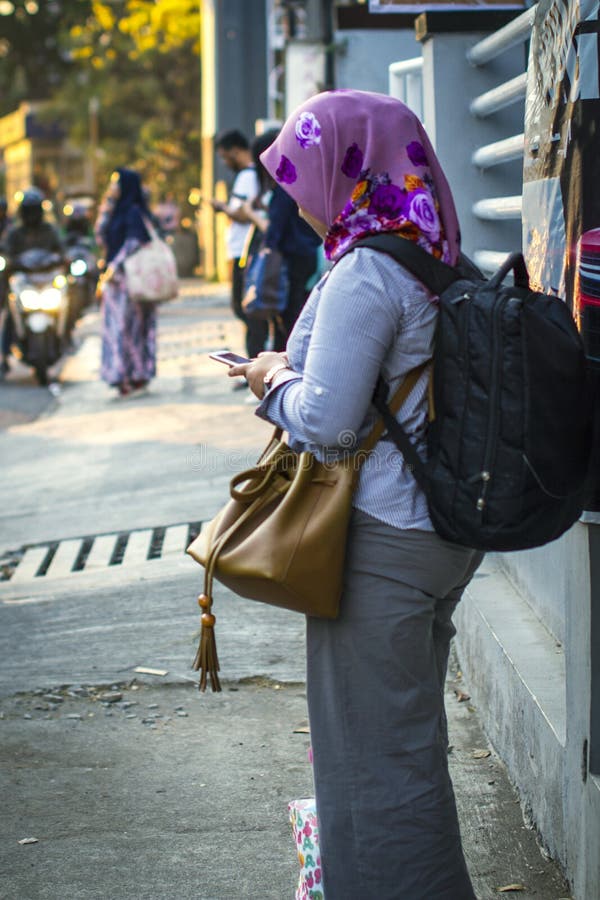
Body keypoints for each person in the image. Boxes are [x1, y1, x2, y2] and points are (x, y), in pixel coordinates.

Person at [225, 90, 484, 899]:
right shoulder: (439, 252)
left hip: (381, 540)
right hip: (441, 533)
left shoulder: (367, 270)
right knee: (403, 749)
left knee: (374, 768)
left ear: (349, 171)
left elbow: (328, 425)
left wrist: (272, 380)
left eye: (306, 182)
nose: (301, 203)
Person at [242, 129, 322, 352]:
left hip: (289, 263)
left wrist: (251, 214)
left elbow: (274, 232)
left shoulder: (282, 190)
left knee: (287, 325)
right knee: (295, 320)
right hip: (307, 258)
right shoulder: (299, 181)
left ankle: (283, 375)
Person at [95, 168, 156, 398]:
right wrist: (107, 205)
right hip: (115, 282)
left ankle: (133, 377)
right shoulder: (117, 211)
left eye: (116, 183)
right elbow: (99, 236)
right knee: (119, 330)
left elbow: (134, 243)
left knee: (129, 331)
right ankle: (123, 377)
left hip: (130, 281)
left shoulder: (133, 212)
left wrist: (113, 268)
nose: (113, 187)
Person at [210, 129, 261, 365]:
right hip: (243, 250)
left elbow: (242, 213)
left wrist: (221, 207)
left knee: (246, 309)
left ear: (235, 151)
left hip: (245, 252)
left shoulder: (247, 177)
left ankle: (256, 362)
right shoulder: (251, 176)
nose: (224, 162)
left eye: (224, 156)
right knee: (246, 310)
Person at [2, 189, 63, 375]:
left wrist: (64, 258)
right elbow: (5, 251)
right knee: (10, 311)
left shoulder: (50, 230)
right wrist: (7, 262)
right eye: (28, 210)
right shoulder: (14, 233)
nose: (31, 214)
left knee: (66, 300)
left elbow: (61, 249)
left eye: (34, 210)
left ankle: (65, 335)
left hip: (46, 280)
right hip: (24, 280)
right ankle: (4, 354)